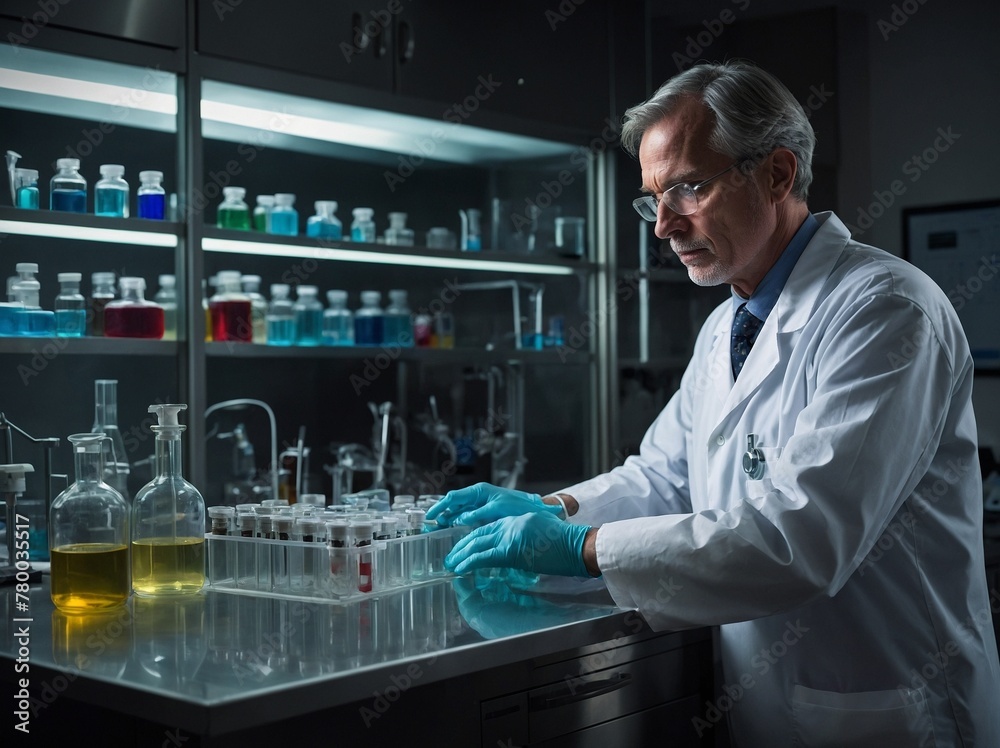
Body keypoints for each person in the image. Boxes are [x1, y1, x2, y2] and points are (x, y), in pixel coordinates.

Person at [429, 60, 1000, 746]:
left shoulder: (886, 311)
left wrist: (580, 549)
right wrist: (554, 510)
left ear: (778, 174)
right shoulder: (728, 323)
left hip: (889, 706)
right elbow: (666, 477)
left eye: (687, 188)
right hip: (773, 700)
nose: (663, 226)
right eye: (652, 199)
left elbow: (803, 539)